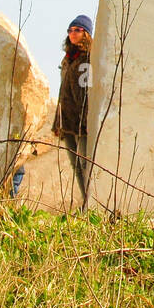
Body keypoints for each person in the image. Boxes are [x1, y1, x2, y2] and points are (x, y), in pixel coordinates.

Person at [54, 14, 93, 207]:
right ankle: (85, 201)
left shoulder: (87, 58)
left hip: (82, 119)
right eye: (70, 30)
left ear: (85, 33)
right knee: (75, 164)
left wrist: (86, 118)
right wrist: (57, 121)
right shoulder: (67, 59)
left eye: (77, 30)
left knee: (86, 163)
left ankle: (89, 204)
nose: (72, 34)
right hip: (67, 120)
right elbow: (62, 92)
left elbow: (86, 90)